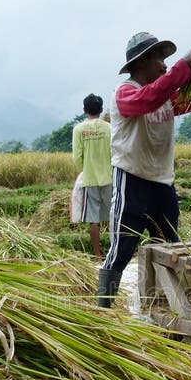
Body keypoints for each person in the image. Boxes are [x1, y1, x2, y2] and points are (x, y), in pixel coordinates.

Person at [98, 31, 191, 307]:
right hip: (131, 182)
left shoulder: (165, 95)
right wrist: (186, 65)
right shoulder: (125, 94)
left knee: (170, 249)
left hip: (162, 186)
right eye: (159, 58)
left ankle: (166, 308)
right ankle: (103, 311)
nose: (164, 65)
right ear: (141, 62)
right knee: (120, 252)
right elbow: (149, 99)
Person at [72, 93, 112, 261]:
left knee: (93, 219)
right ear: (101, 110)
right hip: (109, 178)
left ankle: (97, 255)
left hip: (90, 179)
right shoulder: (109, 128)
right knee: (113, 216)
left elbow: (77, 156)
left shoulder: (79, 129)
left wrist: (84, 170)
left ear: (84, 110)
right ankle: (114, 251)